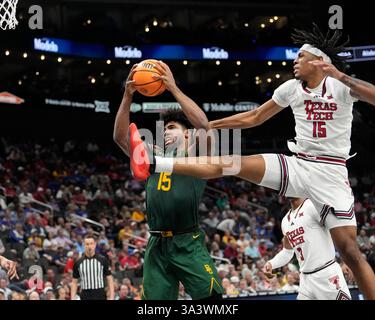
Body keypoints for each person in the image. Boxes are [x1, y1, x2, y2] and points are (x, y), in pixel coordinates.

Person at [129, 25, 375, 299]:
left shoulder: (340, 86)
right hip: (299, 164)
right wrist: (210, 125)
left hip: (331, 172)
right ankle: (154, 163)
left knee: (350, 252)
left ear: (319, 61)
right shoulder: (291, 88)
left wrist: (341, 76)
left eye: (301, 56)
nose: (295, 61)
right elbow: (255, 117)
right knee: (229, 163)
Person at [113, 64, 223, 300]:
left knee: (213, 300)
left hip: (187, 240)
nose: (165, 132)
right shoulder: (152, 157)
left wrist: (173, 88)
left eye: (172, 127)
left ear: (186, 134)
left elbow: (204, 126)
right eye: (165, 129)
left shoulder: (195, 155)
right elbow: (120, 137)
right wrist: (127, 95)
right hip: (156, 243)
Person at [263, 198, 351, 299]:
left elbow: (340, 227)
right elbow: (287, 252)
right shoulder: (285, 221)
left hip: (327, 274)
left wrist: (347, 261)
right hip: (305, 279)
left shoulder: (313, 205)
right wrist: (271, 263)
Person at [71, 235, 114, 300]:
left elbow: (110, 279)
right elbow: (74, 282)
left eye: (91, 244)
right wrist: (72, 297)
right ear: (84, 245)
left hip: (99, 293)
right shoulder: (78, 263)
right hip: (85, 294)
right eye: (87, 244)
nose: (89, 246)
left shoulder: (103, 260)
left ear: (95, 245)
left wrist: (112, 296)